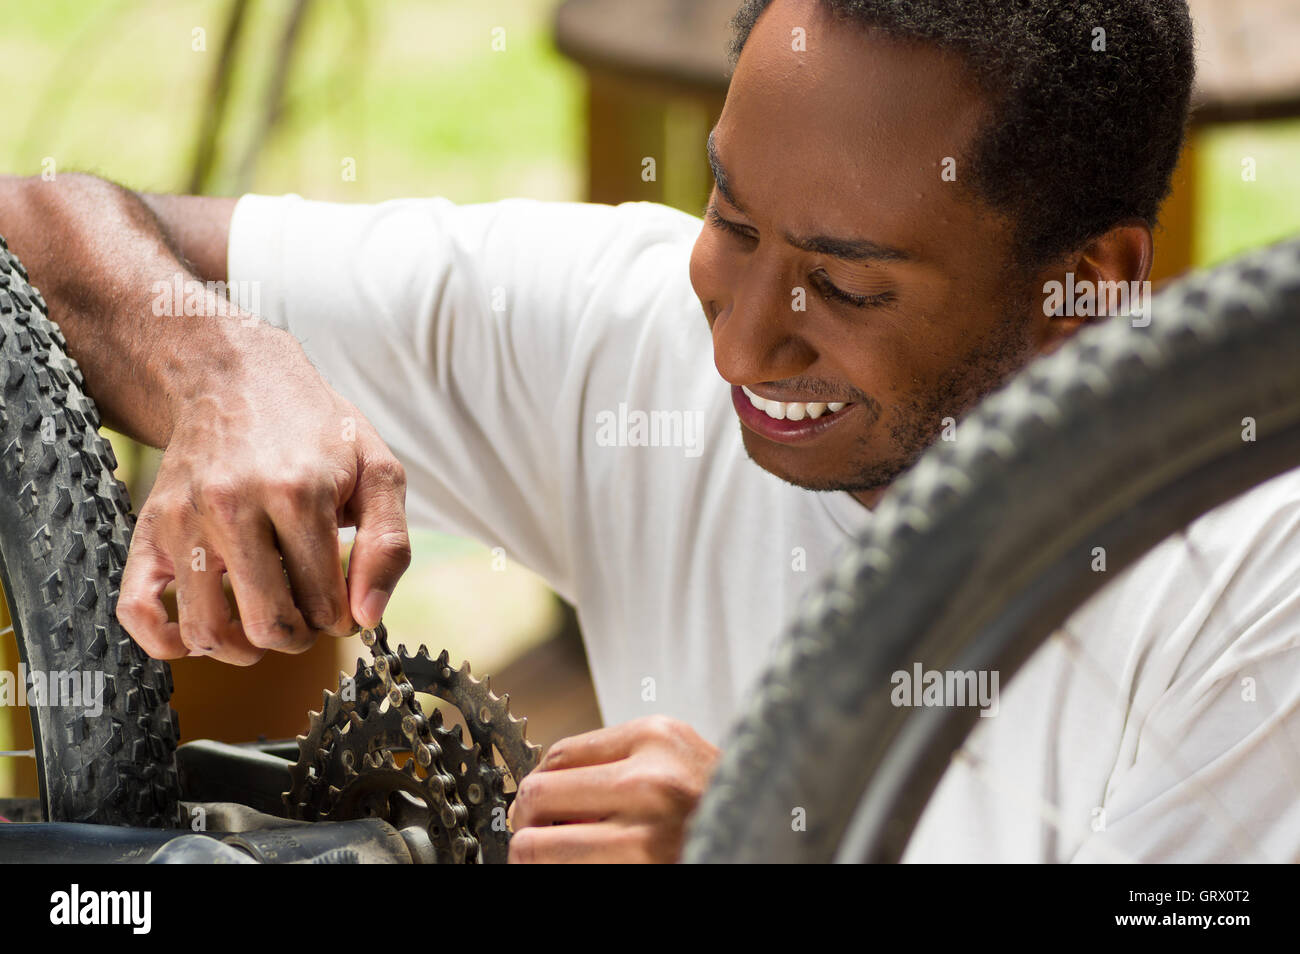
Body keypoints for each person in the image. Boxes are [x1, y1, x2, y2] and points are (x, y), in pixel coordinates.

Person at [3, 0, 1296, 863]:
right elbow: (36, 236)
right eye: (730, 217)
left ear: (1094, 284)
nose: (739, 342)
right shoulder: (629, 327)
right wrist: (221, 365)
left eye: (847, 286)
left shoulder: (1255, 570)